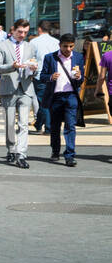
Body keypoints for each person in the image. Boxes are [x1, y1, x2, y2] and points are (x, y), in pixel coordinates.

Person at [0, 19, 40, 169]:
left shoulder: (30, 47)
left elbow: (35, 67)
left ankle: (21, 154)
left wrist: (33, 69)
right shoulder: (2, 45)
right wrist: (11, 66)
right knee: (10, 123)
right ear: (13, 30)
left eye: (25, 32)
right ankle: (11, 149)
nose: (22, 35)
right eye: (20, 32)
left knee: (24, 124)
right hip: (9, 89)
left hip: (26, 88)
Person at [38, 33, 85, 166]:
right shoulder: (50, 57)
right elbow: (42, 76)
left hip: (71, 95)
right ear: (60, 45)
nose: (68, 49)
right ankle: (55, 150)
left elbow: (81, 80)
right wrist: (50, 77)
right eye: (65, 46)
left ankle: (70, 155)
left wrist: (79, 77)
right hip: (56, 96)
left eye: (71, 46)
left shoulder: (78, 57)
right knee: (55, 126)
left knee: (70, 126)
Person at [29, 21, 60, 134]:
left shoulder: (34, 42)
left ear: (39, 29)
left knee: (43, 101)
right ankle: (39, 124)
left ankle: (48, 127)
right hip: (54, 75)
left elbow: (31, 59)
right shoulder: (56, 42)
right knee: (49, 100)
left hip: (40, 75)